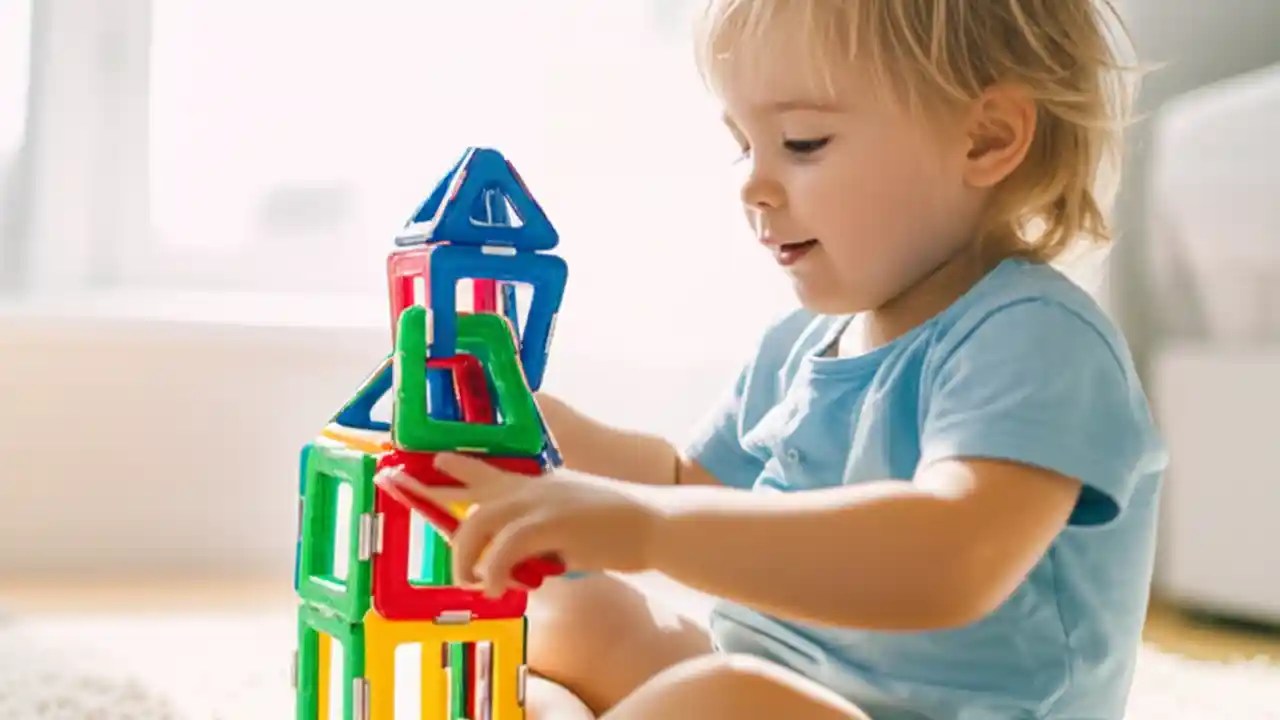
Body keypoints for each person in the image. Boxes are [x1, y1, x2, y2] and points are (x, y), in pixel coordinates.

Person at [376, 1, 1167, 717]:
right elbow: (692, 485)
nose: (752, 184)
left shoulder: (1034, 337)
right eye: (743, 144)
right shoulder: (798, 344)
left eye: (802, 142)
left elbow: (955, 557)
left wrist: (644, 531)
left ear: (987, 137)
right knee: (578, 614)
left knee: (721, 696)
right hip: (781, 685)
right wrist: (550, 438)